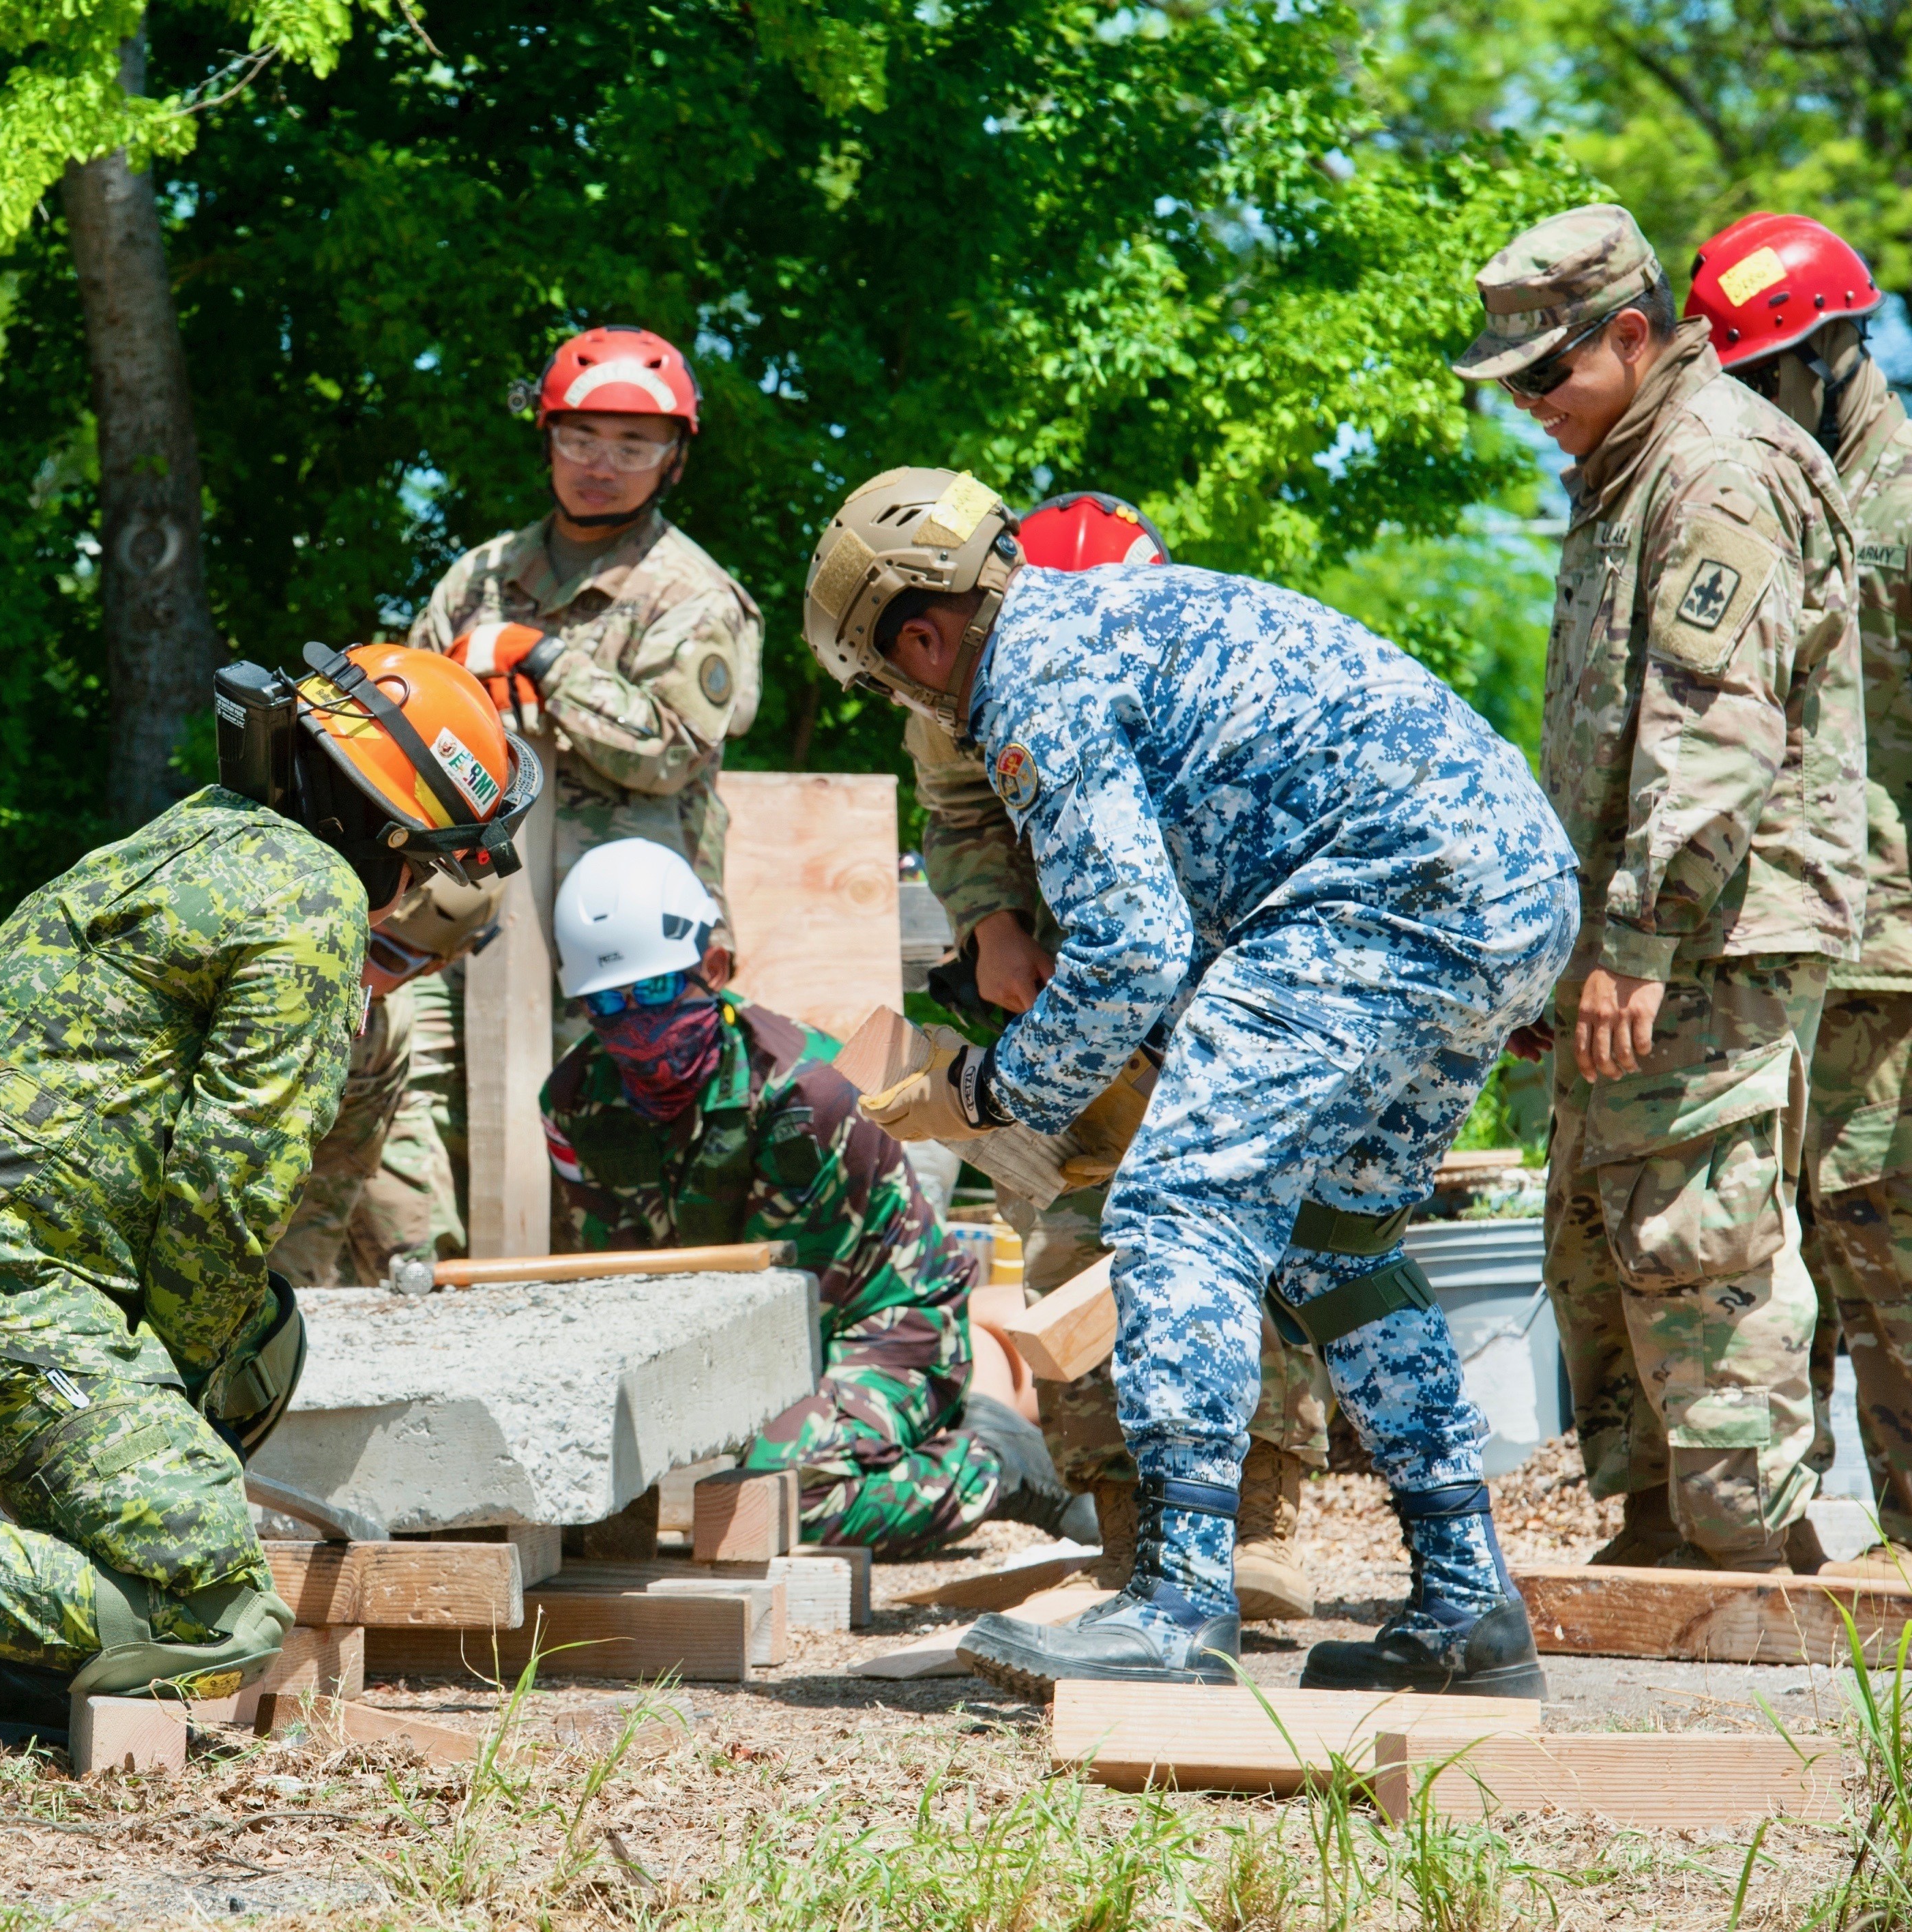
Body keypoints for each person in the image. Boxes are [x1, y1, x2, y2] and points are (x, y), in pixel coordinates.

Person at [0, 645, 536, 1787]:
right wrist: (164, 1403)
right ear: (393, 839)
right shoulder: (312, 898)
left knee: (247, 1347)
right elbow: (227, 1188)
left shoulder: (191, 835)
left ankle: (4, 1699)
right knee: (212, 1602)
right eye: (436, 857)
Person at [802, 466, 1578, 1697]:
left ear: (922, 632)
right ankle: (1468, 1603)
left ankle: (1176, 1605)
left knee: (1175, 1211)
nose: (912, 702)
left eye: (894, 677)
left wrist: (994, 1092)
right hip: (1504, 891)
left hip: (1383, 897)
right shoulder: (1101, 625)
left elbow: (1128, 947)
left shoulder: (1029, 679)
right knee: (1334, 1243)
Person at [1462, 203, 1861, 1575]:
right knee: (1598, 1232)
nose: (1528, 410)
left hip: (1711, 938)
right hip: (1635, 940)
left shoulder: (1714, 470)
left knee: (1699, 1237)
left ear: (1630, 338)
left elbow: (1713, 736)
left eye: (1544, 377)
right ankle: (1662, 1535)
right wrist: (1551, 953)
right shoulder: (1628, 469)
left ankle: (1742, 1559)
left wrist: (1634, 936)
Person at [907, 491, 1335, 1620]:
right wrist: (993, 925)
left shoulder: (1215, 676)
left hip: (1226, 981)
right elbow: (956, 808)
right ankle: (1122, 1528)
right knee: (1076, 1233)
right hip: (1077, 996)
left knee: (1246, 1233)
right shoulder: (967, 677)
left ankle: (1259, 1520)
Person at [542, 836, 1082, 1553]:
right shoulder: (576, 1102)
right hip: (733, 1331)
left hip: (884, 1327)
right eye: (605, 1003)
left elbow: (796, 1308)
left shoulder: (810, 1095)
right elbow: (612, 1287)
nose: (633, 1026)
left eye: (652, 994)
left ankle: (992, 1468)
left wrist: (743, 1439)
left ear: (711, 969)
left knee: (783, 1493)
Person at [1686, 214, 1911, 1577]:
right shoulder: (1779, 495)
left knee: (1883, 1222)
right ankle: (1791, 1526)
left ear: (1836, 350)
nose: (1743, 405)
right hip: (1787, 926)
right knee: (1788, 1224)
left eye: (1760, 375)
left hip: (1890, 937)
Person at [408, 327, 760, 1013]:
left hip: (626, 937)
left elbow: (670, 753)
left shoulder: (692, 595)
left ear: (674, 460)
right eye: (580, 438)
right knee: (421, 1108)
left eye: (633, 446)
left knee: (611, 1121)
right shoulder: (476, 578)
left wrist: (541, 661)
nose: (600, 465)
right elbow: (404, 740)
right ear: (547, 440)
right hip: (458, 915)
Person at [271, 872, 503, 1286]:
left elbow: (329, 1179)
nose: (352, 960)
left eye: (384, 955)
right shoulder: (265, 974)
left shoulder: (383, 1035)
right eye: (352, 936)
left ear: (431, 969)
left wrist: (290, 1297)